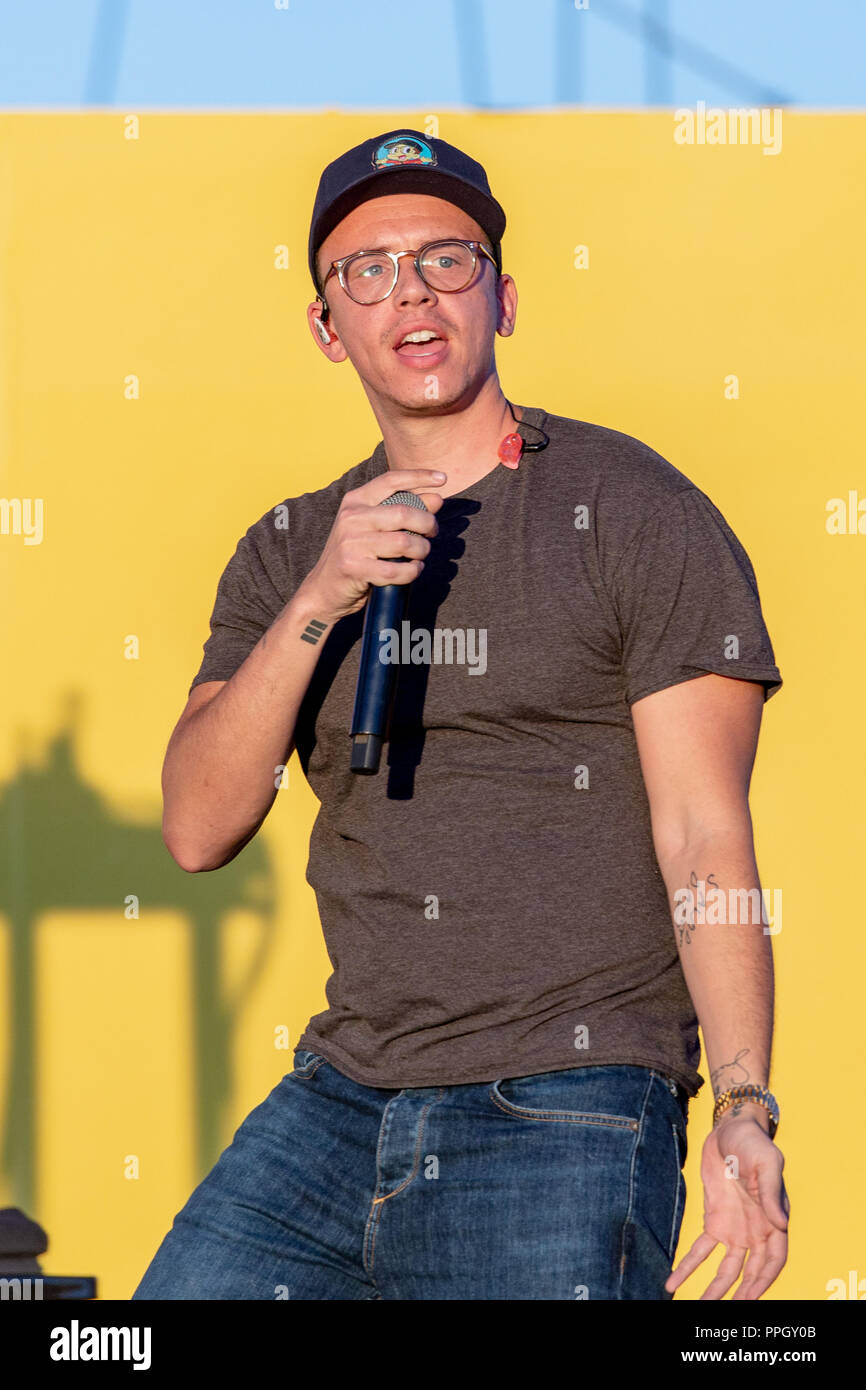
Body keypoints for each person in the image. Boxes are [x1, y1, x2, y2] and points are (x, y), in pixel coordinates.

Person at [132, 128, 789, 1301]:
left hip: (562, 1097)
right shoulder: (289, 549)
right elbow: (195, 826)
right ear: (327, 328)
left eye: (445, 258)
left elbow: (705, 840)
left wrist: (742, 1104)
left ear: (502, 295)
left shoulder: (631, 508)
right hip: (341, 1096)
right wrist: (325, 596)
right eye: (367, 270)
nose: (412, 292)